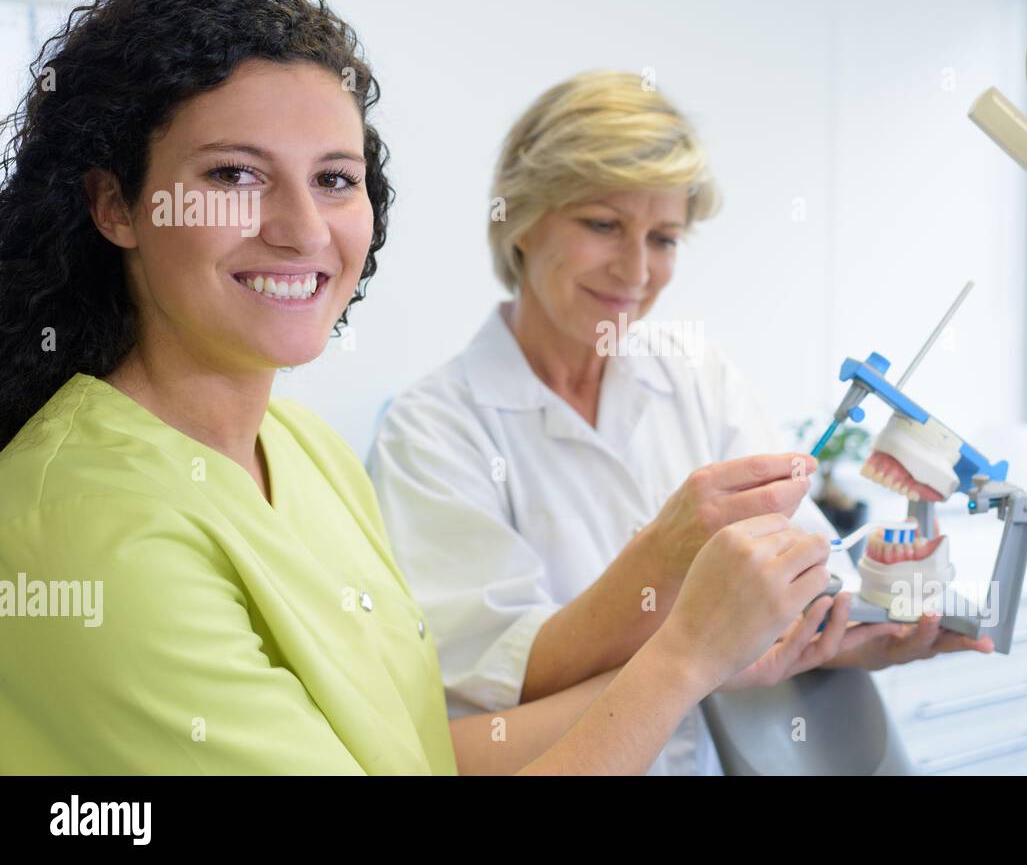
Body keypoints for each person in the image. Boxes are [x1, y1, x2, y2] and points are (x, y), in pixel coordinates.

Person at [0, 0, 831, 775]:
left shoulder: (303, 449)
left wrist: (714, 653)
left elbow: (421, 755)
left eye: (334, 178)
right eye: (234, 174)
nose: (301, 229)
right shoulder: (86, 534)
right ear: (115, 205)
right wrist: (685, 651)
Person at [367, 70, 992, 776]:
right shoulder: (432, 430)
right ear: (521, 220)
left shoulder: (695, 375)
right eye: (603, 224)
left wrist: (872, 629)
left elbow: (795, 596)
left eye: (663, 238)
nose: (636, 270)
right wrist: (665, 561)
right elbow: (506, 679)